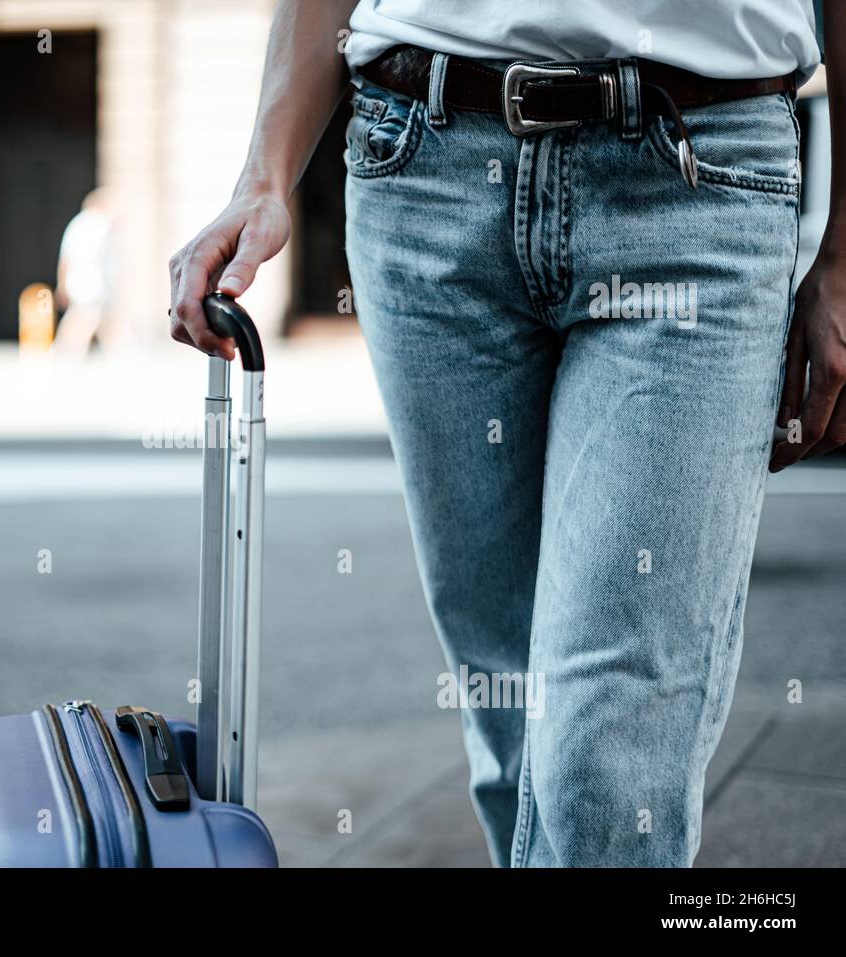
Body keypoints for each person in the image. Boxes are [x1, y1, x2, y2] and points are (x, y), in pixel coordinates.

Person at [168, 0, 839, 866]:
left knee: (602, 753)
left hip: (697, 181)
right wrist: (262, 173)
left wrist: (843, 256)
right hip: (427, 171)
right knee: (507, 709)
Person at [54, 187, 115, 356]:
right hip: (93, 283)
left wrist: (62, 284)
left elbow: (65, 258)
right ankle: (66, 355)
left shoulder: (76, 224)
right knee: (85, 320)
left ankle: (65, 354)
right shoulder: (100, 224)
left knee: (93, 319)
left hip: (79, 281)